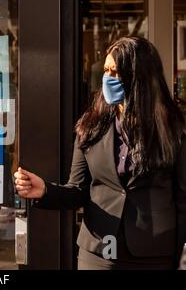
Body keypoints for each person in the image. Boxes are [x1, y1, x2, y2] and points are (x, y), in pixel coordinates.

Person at [14, 37, 186, 270]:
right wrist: (44, 190)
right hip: (98, 253)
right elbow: (78, 191)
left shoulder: (173, 128)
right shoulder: (91, 126)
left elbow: (183, 199)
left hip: (153, 254)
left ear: (139, 77)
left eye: (116, 72)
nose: (108, 79)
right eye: (106, 70)